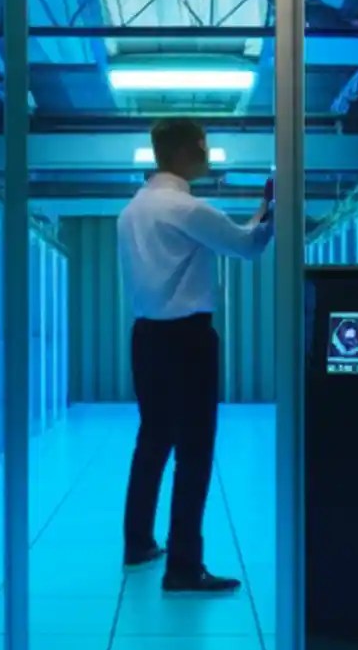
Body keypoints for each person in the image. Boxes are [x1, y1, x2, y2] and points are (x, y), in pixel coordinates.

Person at [116, 118, 274, 594]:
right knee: (194, 452)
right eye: (204, 147)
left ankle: (138, 543)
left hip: (145, 337)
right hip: (188, 341)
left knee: (152, 443)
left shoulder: (131, 211)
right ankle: (184, 566)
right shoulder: (186, 207)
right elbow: (247, 247)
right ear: (189, 149)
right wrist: (272, 211)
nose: (207, 155)